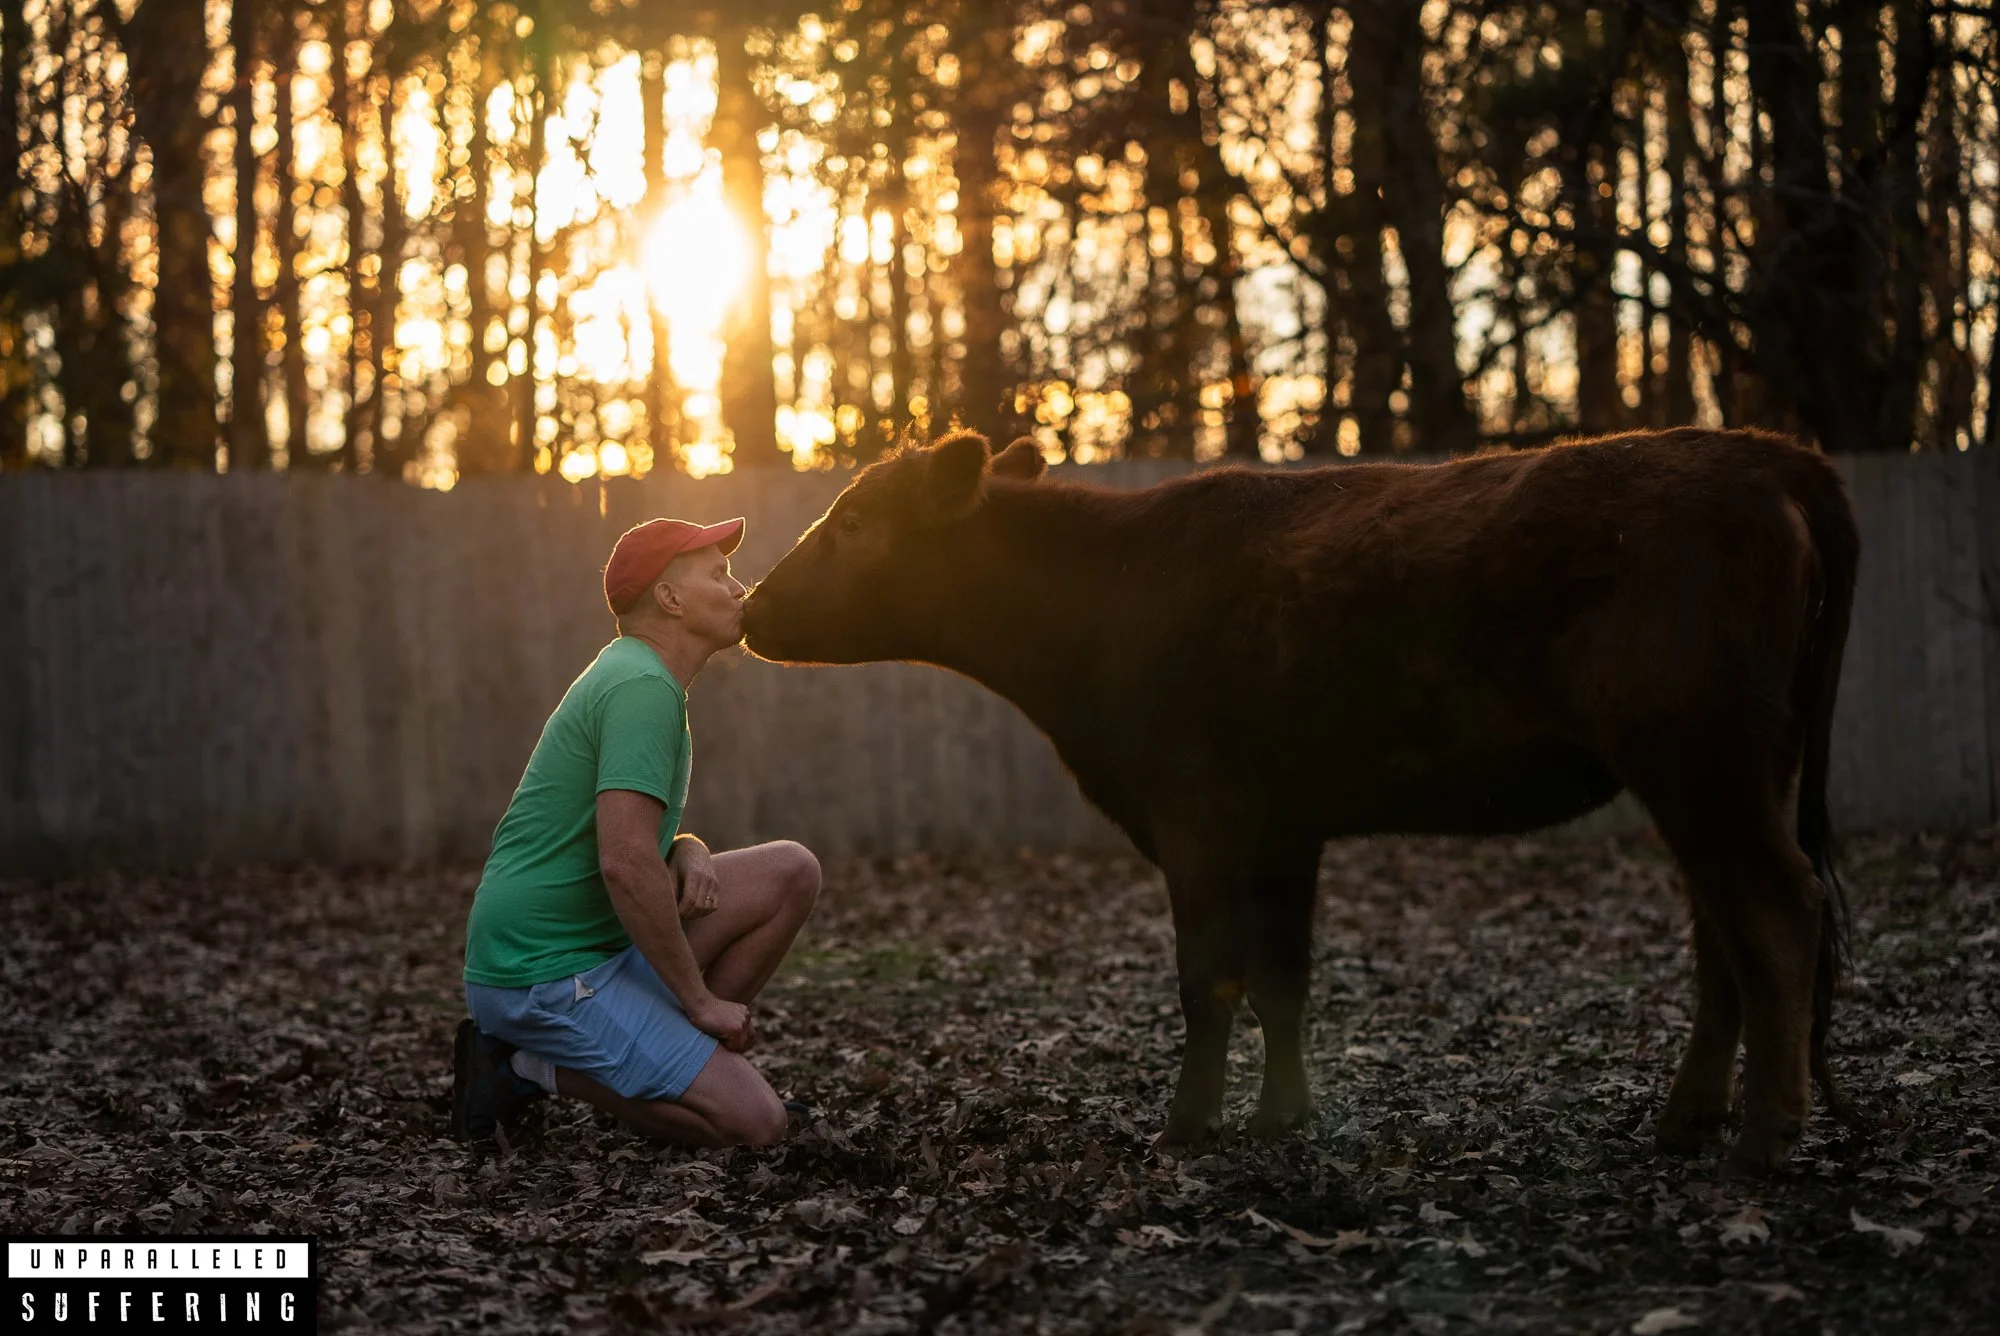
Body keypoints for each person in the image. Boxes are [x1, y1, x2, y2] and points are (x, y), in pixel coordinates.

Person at [449, 516, 821, 1149]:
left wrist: (686, 846)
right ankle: (520, 1068)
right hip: (539, 971)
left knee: (789, 871)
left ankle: (680, 1065)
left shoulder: (639, 676)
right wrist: (701, 1002)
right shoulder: (642, 687)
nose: (738, 589)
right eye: (718, 574)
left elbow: (624, 833)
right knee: (759, 1126)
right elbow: (623, 861)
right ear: (670, 600)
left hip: (590, 944)